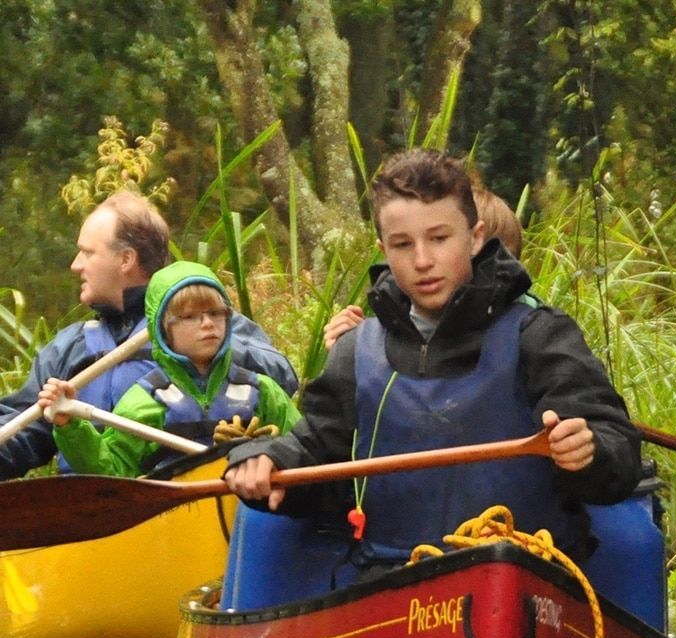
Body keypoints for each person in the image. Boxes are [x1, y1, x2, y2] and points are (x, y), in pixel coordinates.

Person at [224, 148, 641, 573]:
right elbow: (315, 456)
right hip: (389, 579)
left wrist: (590, 451)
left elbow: (618, 452)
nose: (422, 261)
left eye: (439, 239)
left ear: (476, 237)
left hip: (524, 571)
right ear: (383, 248)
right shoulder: (357, 351)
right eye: (403, 244)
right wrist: (266, 462)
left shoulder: (539, 335)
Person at [0, 191, 298, 479]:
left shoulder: (214, 323)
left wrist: (197, 345)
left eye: (88, 253)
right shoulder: (71, 346)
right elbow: (21, 431)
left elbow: (282, 378)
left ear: (126, 259)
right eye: (192, 316)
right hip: (92, 509)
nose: (75, 264)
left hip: (191, 496)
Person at [37, 261, 300, 478]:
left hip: (248, 514)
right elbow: (111, 469)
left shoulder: (263, 391)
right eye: (190, 316)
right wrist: (70, 425)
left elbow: (304, 449)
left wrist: (265, 450)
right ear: (164, 329)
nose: (208, 323)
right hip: (175, 522)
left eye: (216, 313)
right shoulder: (145, 401)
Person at [322, 185, 523, 350]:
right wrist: (354, 353)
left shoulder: (531, 336)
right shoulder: (391, 327)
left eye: (503, 265)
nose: (491, 279)